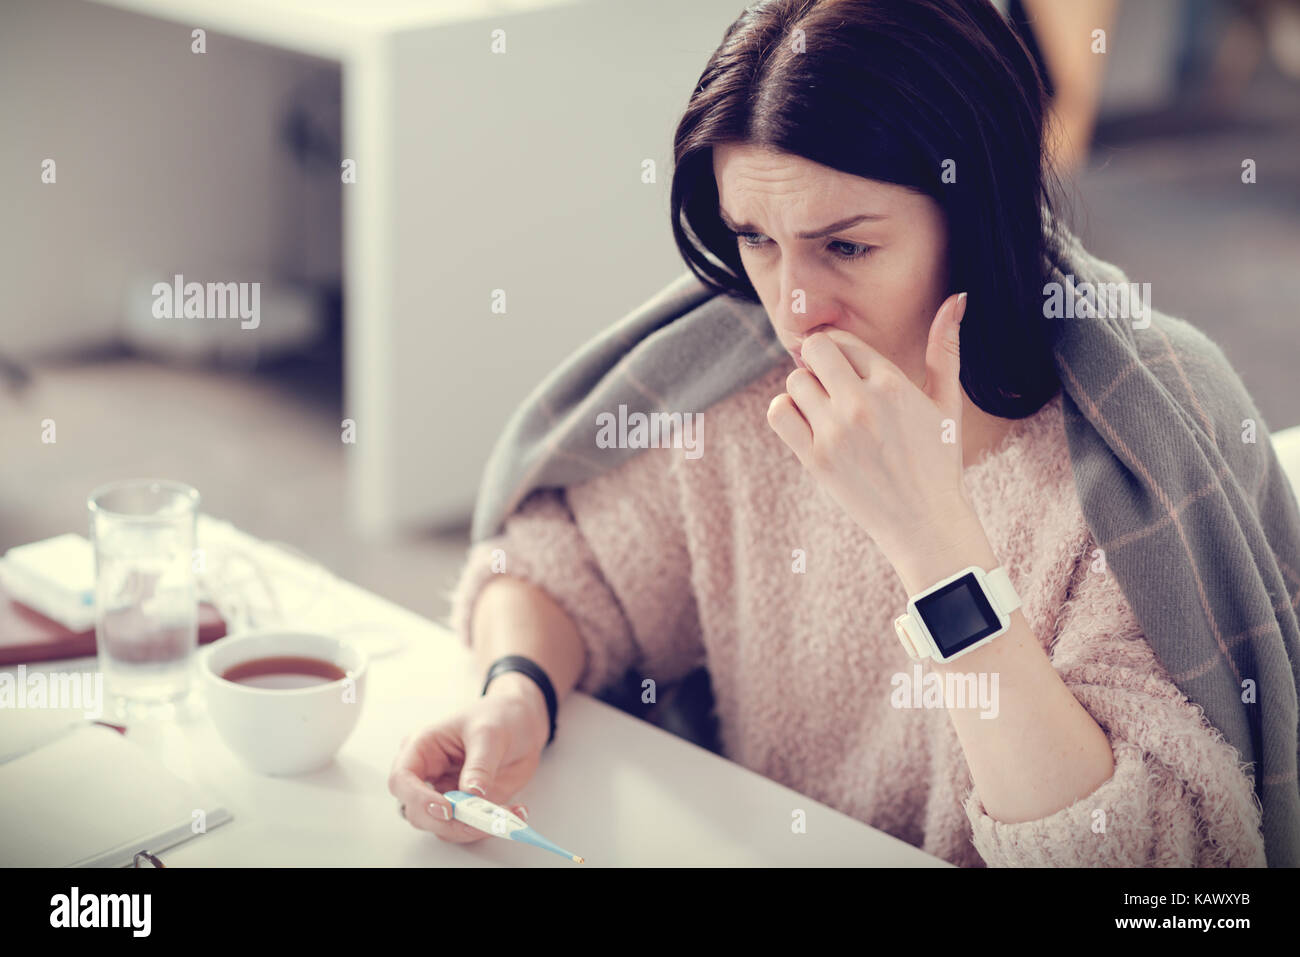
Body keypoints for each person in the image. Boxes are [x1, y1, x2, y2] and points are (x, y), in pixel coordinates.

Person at [388, 0, 1269, 865]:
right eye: (756, 238)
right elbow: (559, 564)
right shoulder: (742, 383)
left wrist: (931, 539)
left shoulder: (1126, 450)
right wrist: (517, 690)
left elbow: (1154, 862)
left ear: (974, 217)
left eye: (846, 247)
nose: (793, 309)